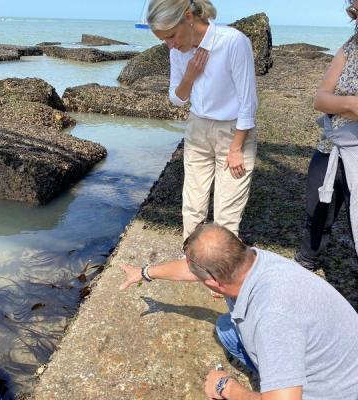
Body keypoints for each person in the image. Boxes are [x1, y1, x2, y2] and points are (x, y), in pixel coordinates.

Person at [120, 224, 358, 399]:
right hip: (334, 357)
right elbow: (193, 268)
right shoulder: (252, 258)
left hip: (333, 392)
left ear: (213, 283)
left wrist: (226, 386)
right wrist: (144, 273)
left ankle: (278, 383)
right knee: (226, 328)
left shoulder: (273, 317)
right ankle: (277, 376)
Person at [147, 0, 258, 241]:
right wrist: (189, 76)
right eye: (163, 40)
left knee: (227, 211)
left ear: (188, 16)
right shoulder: (177, 51)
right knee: (192, 204)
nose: (170, 45)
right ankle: (192, 260)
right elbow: (177, 99)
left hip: (233, 131)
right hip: (197, 127)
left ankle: (222, 270)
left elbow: (248, 101)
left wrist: (237, 147)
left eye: (171, 36)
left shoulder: (233, 41)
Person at [296, 0, 358, 270]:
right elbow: (320, 99)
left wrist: (340, 103)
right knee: (317, 214)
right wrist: (351, 105)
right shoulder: (350, 46)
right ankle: (306, 263)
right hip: (331, 146)